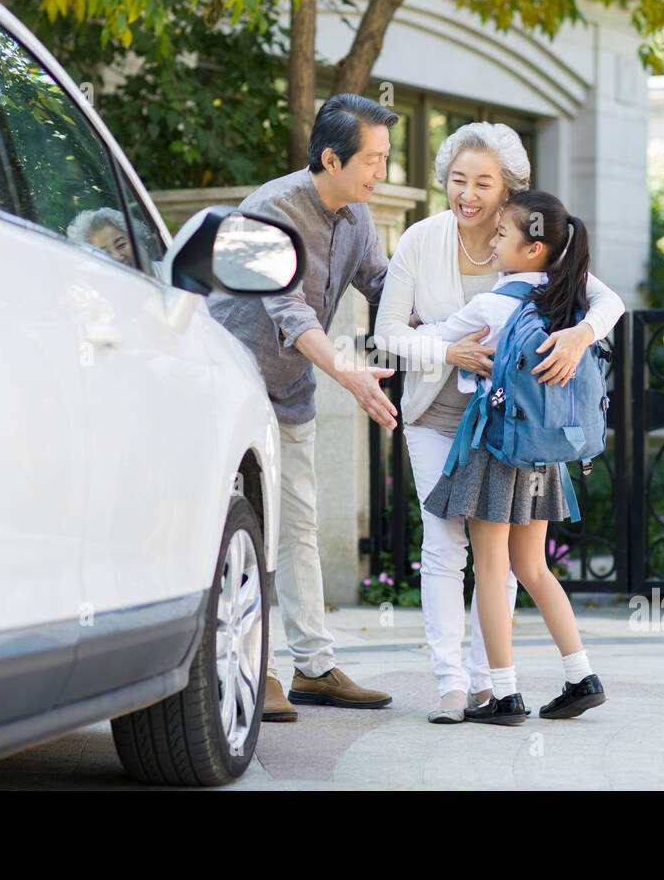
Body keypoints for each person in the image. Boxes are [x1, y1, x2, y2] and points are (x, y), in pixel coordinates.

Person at [371, 123, 624, 723]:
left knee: (498, 556)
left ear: (508, 189)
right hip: (442, 415)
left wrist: (579, 334)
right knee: (448, 545)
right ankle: (455, 685)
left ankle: (493, 684)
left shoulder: (533, 240)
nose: (468, 194)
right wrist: (449, 354)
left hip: (508, 432)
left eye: (483, 183)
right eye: (458, 180)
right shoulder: (422, 240)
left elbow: (607, 302)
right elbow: (388, 333)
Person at [206, 94, 400, 721]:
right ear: (330, 157)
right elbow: (290, 315)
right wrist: (353, 377)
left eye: (385, 159)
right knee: (244, 529)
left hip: (291, 392)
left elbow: (384, 288)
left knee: (300, 527)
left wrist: (452, 336)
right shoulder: (267, 210)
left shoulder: (357, 215)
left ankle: (314, 667)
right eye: (373, 160)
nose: (381, 173)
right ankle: (249, 667)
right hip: (230, 391)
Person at [414, 190, 609, 725]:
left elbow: (436, 338)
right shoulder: (566, 298)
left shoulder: (491, 304)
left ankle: (504, 693)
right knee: (533, 567)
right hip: (545, 454)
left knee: (492, 567)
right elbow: (610, 306)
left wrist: (413, 337)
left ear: (531, 250)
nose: (493, 242)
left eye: (502, 235)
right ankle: (580, 674)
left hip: (496, 447)